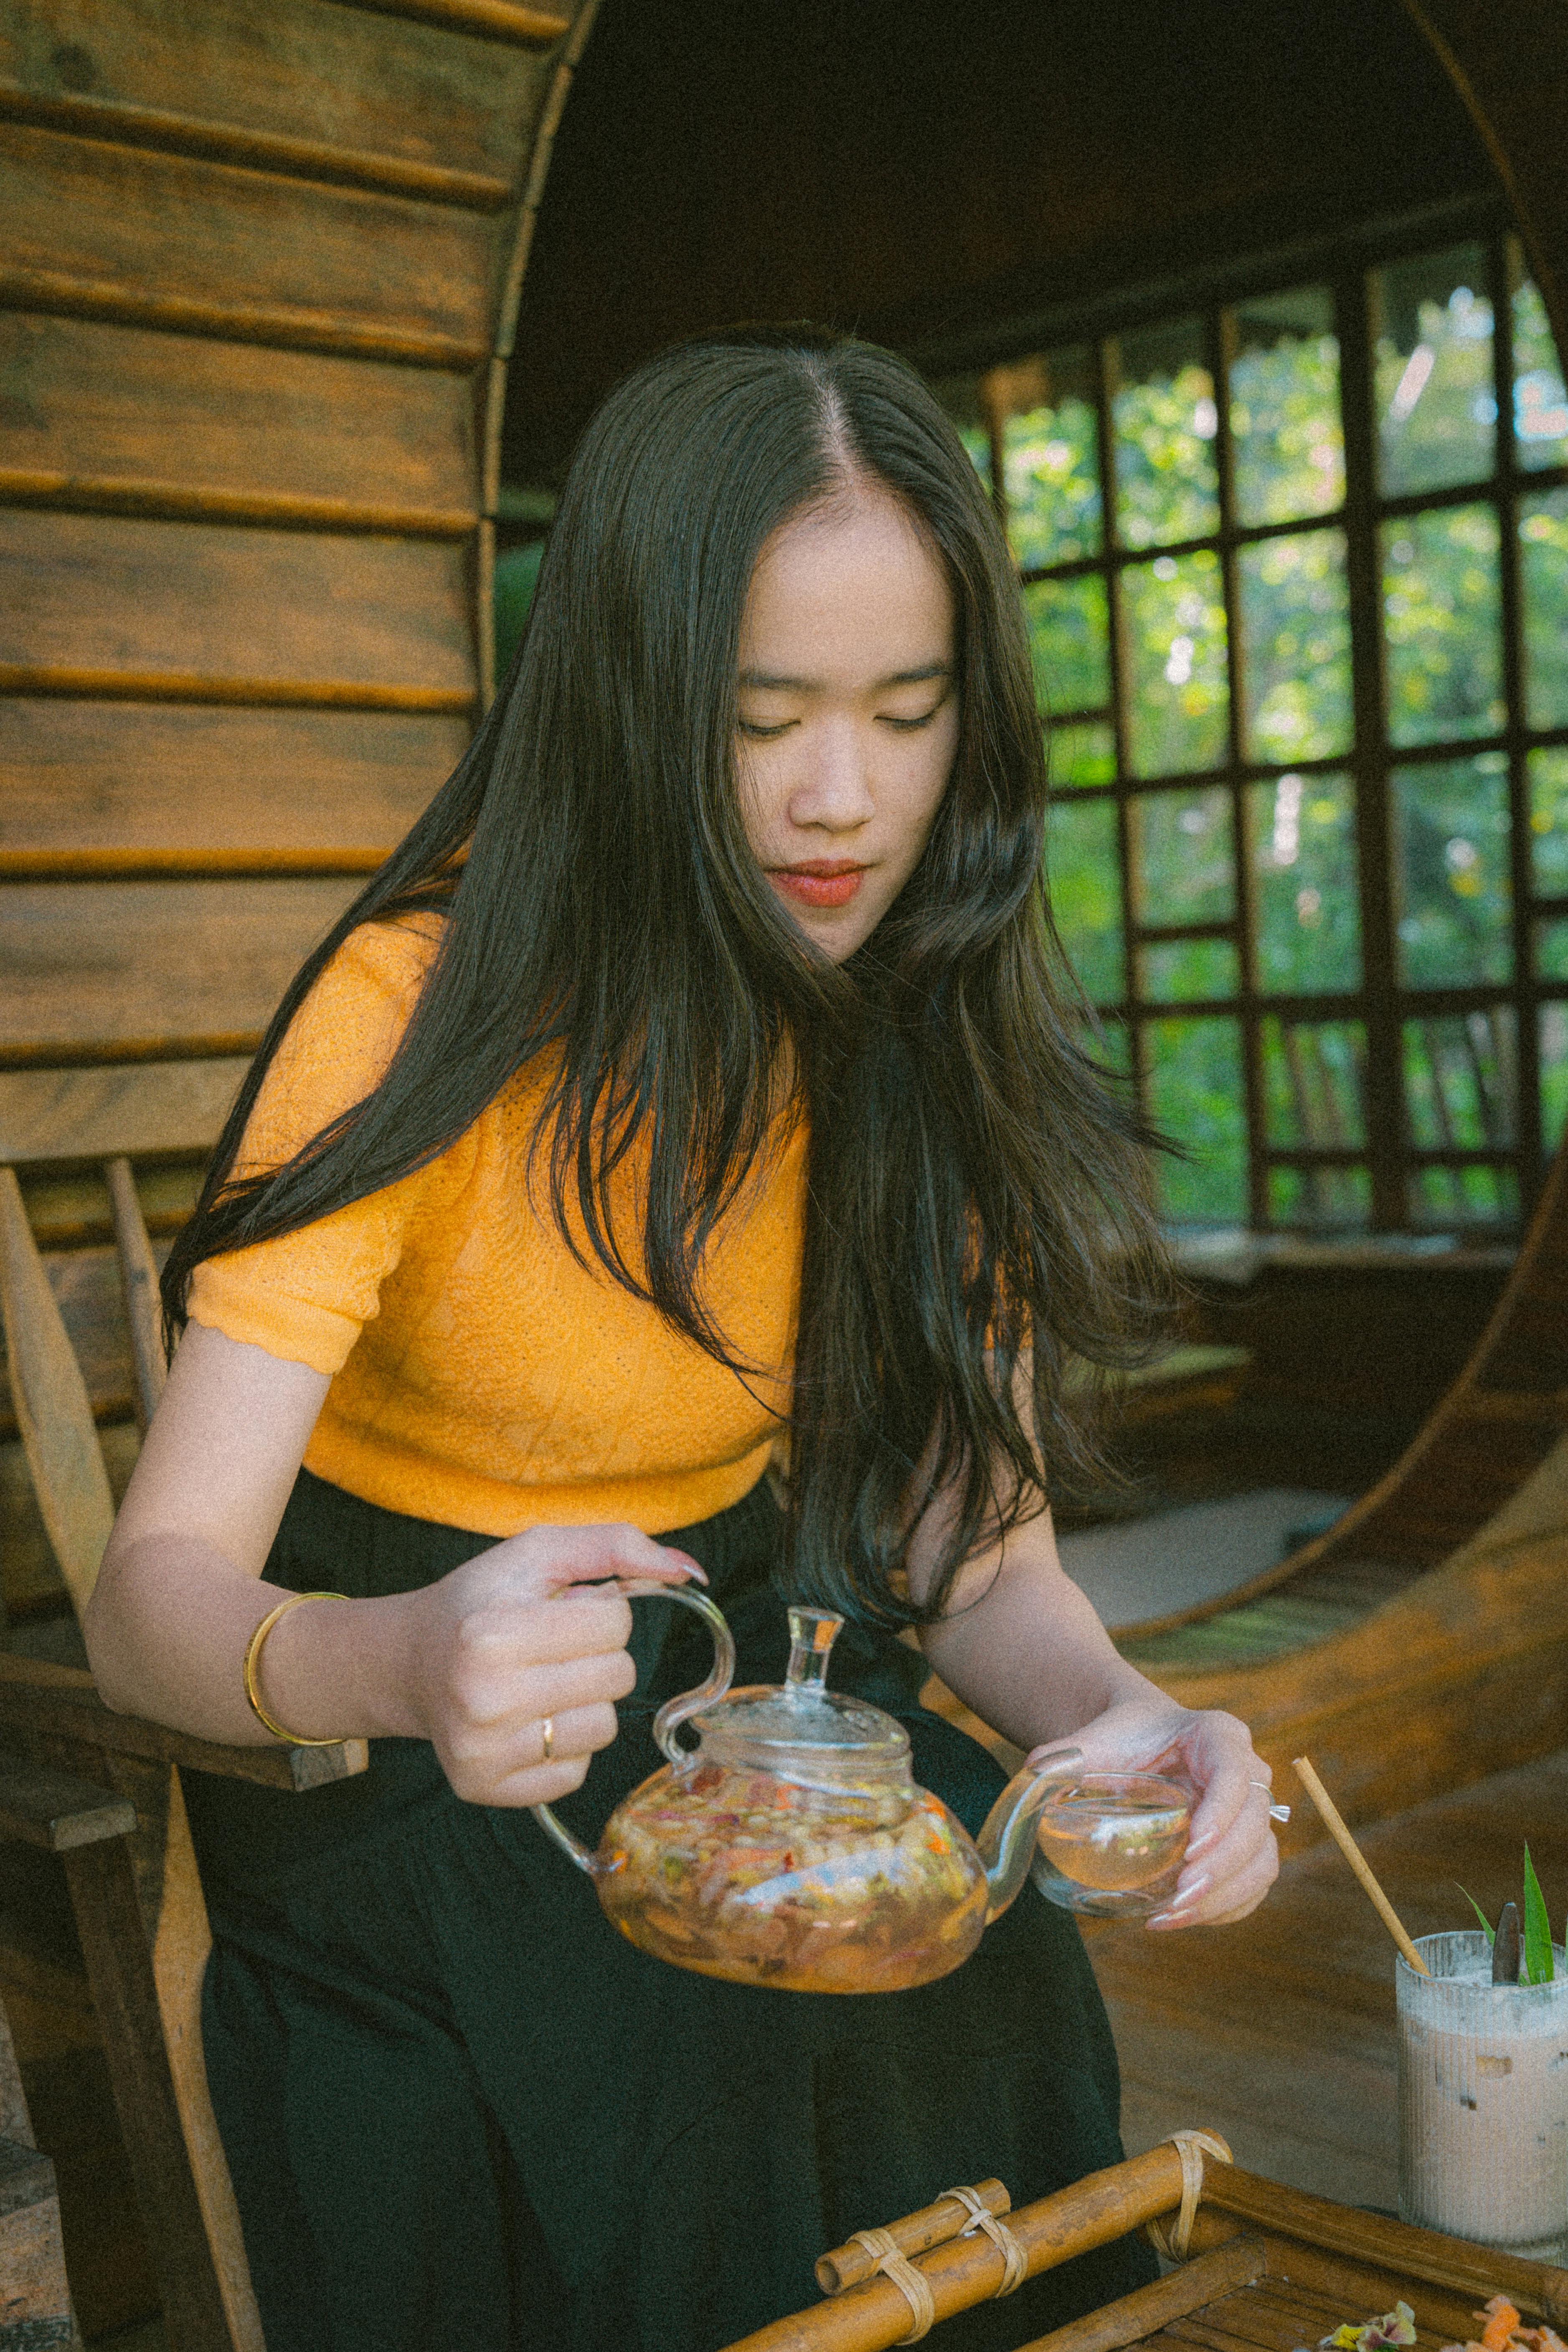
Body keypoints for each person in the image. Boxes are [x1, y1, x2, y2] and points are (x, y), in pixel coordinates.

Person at [84, 326, 1279, 2352]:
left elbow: (980, 1562)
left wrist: (1128, 1717)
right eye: (760, 720)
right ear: (629, 709)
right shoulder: (418, 1012)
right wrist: (403, 1658)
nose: (843, 798)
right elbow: (152, 1598)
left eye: (907, 714)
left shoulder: (920, 1007)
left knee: (962, 1951)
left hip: (737, 1645)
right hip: (409, 1704)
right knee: (684, 2033)